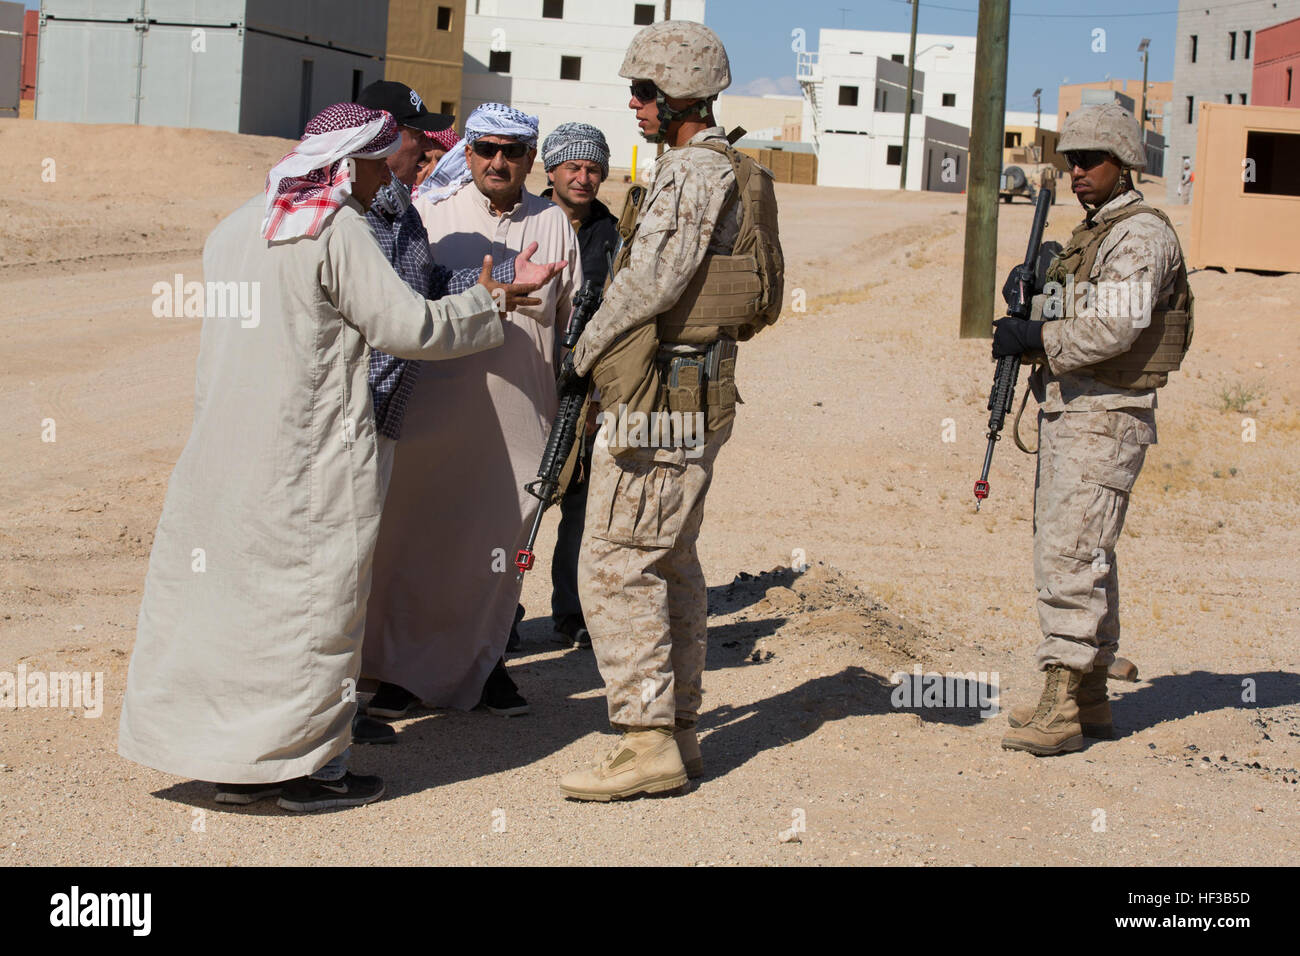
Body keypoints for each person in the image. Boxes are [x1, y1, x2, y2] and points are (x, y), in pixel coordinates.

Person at [116, 103, 559, 812]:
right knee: (316, 605)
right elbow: (407, 327)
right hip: (315, 455)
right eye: (380, 163)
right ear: (348, 163)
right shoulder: (336, 227)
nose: (388, 176)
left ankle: (234, 759)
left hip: (230, 453)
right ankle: (303, 773)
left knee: (238, 604)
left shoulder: (236, 227)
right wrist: (491, 300)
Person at [557, 20, 783, 801]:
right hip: (696, 391)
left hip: (663, 399)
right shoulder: (729, 169)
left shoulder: (692, 173)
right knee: (670, 559)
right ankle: (678, 729)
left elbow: (651, 280)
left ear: (683, 96)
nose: (635, 104)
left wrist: (581, 353)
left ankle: (646, 738)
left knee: (619, 561)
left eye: (646, 92)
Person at [362, 102, 582, 720]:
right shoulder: (432, 211)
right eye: (486, 149)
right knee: (421, 545)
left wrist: (578, 405)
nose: (498, 161)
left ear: (530, 159)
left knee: (500, 548)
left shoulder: (554, 221)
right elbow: (407, 303)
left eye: (513, 152)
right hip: (436, 413)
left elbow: (571, 326)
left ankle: (486, 664)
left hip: (522, 414)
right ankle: (405, 671)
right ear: (469, 152)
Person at [992, 103, 1192, 756]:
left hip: (1106, 417)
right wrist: (1032, 295)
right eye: (1070, 161)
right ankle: (1092, 697)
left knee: (1071, 555)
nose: (1076, 172)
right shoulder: (1096, 233)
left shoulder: (1142, 236)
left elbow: (1113, 327)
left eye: (1089, 160)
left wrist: (1036, 335)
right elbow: (1080, 305)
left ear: (1124, 162)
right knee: (1081, 547)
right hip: (1075, 412)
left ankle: (1060, 704)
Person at [539, 122, 620, 649]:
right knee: (511, 503)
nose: (583, 177)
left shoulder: (613, 234)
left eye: (593, 169)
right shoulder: (530, 220)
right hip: (526, 379)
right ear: (551, 171)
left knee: (582, 504)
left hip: (586, 391)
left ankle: (571, 612)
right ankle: (494, 618)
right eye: (574, 167)